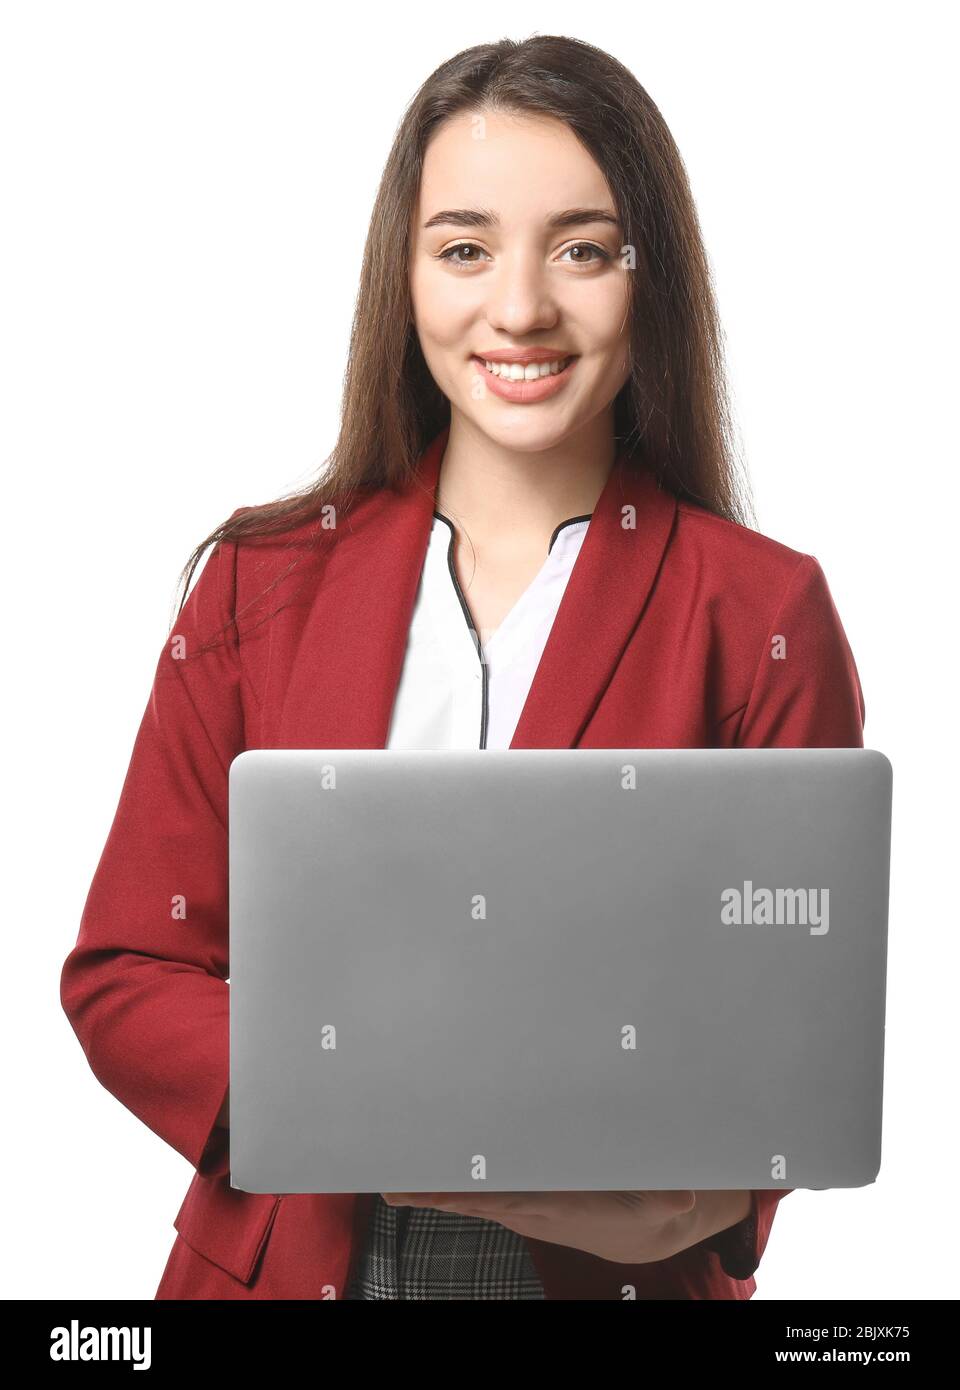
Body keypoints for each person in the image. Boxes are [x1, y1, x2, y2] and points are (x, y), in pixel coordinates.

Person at [60, 34, 865, 1301]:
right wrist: (345, 1093)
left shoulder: (762, 611)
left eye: (584, 247)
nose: (522, 307)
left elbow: (790, 1031)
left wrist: (705, 1201)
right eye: (465, 247)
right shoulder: (258, 586)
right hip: (295, 1261)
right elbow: (128, 969)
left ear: (648, 278)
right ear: (409, 275)